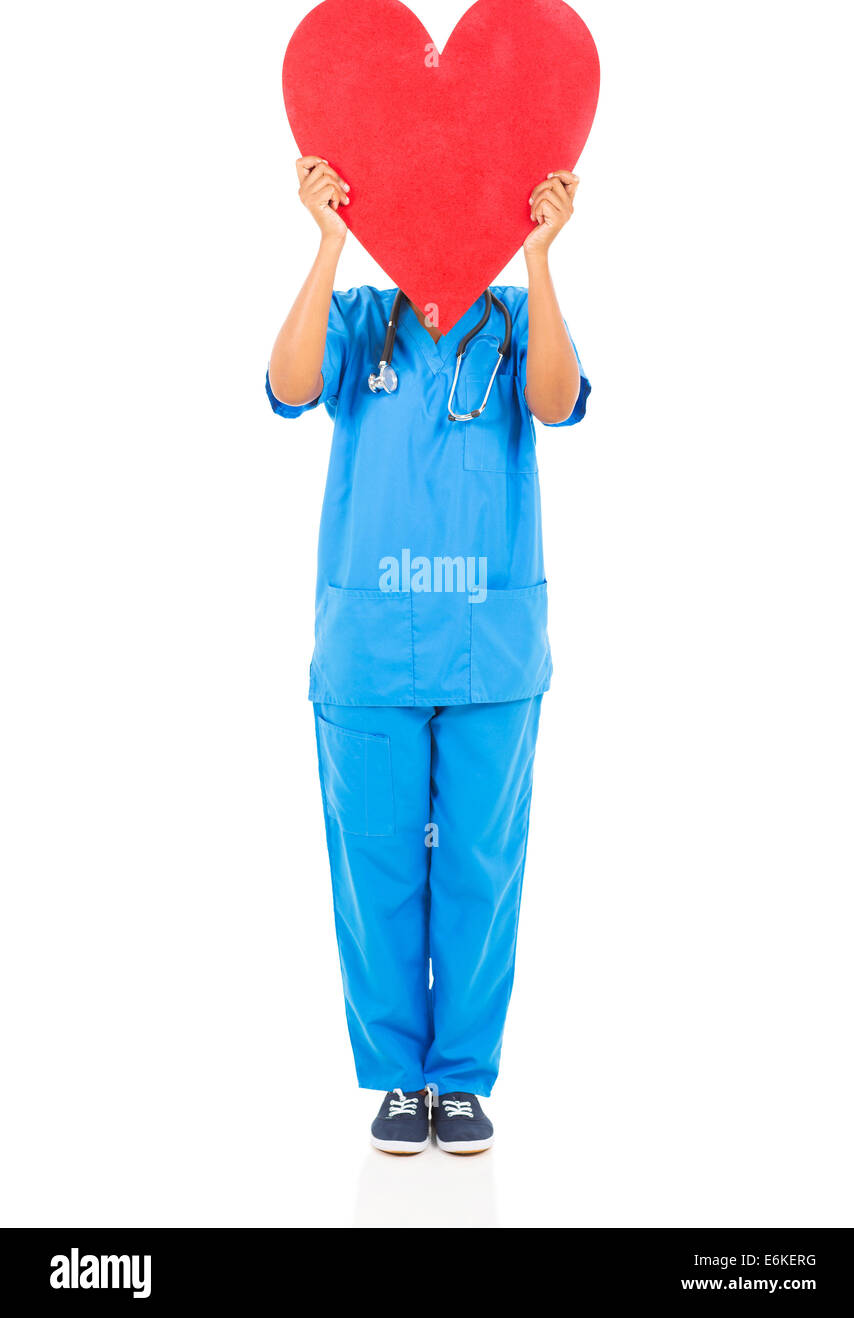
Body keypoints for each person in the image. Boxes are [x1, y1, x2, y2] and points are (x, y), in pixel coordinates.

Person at [266, 156, 591, 1154]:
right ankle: (398, 1078)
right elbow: (286, 385)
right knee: (375, 866)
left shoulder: (511, 321)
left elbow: (555, 398)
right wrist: (326, 241)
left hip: (489, 649)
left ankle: (458, 1078)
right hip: (368, 649)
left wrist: (538, 259)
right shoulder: (362, 317)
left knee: (479, 870)